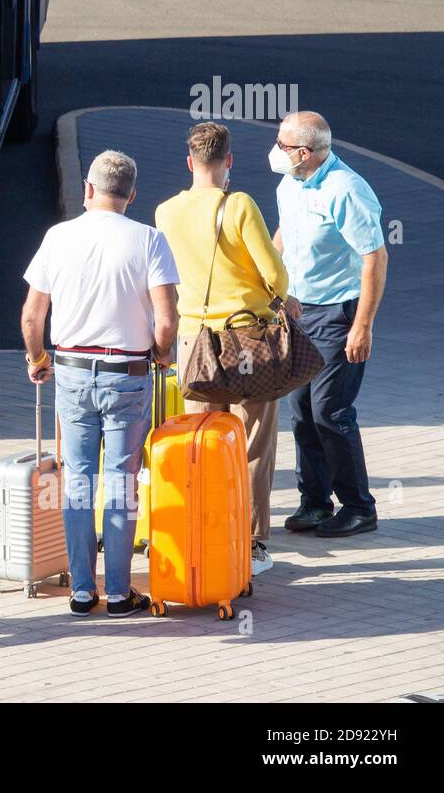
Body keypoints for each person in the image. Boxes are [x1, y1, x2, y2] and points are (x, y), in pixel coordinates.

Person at [21, 150, 179, 618]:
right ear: (131, 195)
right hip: (127, 375)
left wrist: (37, 359)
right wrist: (162, 355)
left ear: (87, 190)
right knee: (120, 484)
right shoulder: (149, 240)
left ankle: (81, 591)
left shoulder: (58, 237)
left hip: (69, 372)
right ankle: (118, 592)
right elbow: (167, 320)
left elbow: (32, 315)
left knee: (77, 482)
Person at [156, 123, 299, 576]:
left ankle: (206, 530)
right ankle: (253, 543)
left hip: (193, 340)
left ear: (189, 162)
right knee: (253, 442)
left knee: (202, 440)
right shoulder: (238, 205)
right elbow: (276, 276)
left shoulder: (165, 212)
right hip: (247, 339)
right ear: (229, 162)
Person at [272, 111, 387, 538]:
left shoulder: (346, 190)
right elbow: (285, 233)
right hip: (299, 314)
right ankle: (315, 502)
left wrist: (363, 325)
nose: (276, 150)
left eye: (282, 144)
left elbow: (375, 256)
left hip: (339, 316)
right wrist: (267, 276)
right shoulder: (291, 181)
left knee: (330, 412)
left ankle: (358, 507)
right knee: (301, 411)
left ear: (305, 152)